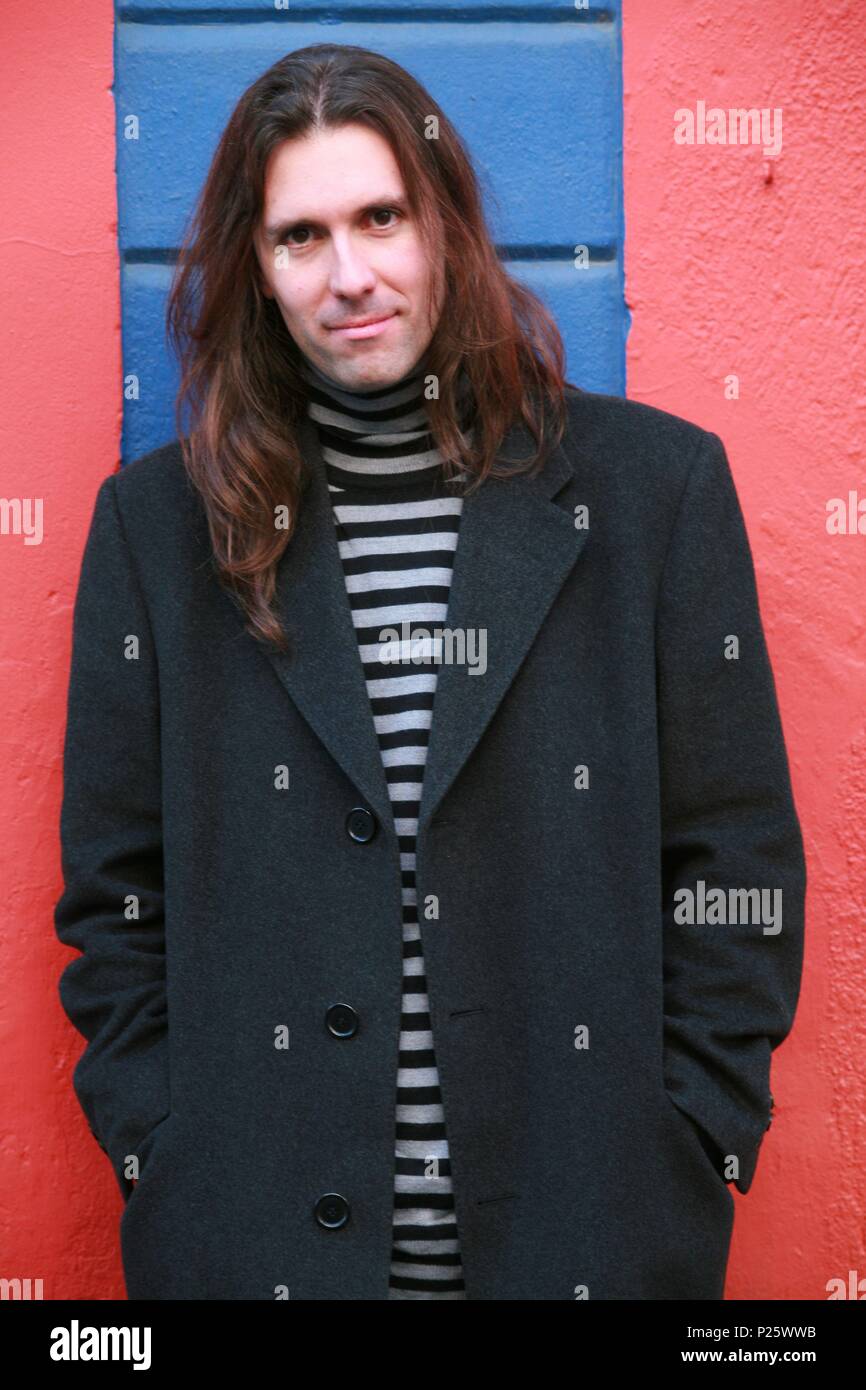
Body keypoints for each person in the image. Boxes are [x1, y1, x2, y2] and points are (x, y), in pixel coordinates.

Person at [54, 43, 806, 1301]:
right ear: (255, 267)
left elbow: (734, 856)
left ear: (442, 224)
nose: (349, 276)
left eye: (380, 217)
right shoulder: (154, 532)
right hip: (253, 1252)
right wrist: (157, 1147)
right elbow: (115, 892)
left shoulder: (650, 495)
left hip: (590, 1243)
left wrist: (697, 1137)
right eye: (300, 237)